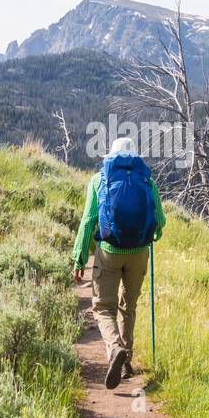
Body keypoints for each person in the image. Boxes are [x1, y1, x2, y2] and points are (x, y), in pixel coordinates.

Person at [72, 136, 165, 389]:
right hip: (139, 253)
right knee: (128, 306)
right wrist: (151, 236)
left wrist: (79, 257)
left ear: (110, 155)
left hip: (109, 251)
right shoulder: (147, 180)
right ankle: (126, 362)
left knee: (103, 307)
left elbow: (88, 220)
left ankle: (114, 348)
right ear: (134, 157)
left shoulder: (99, 179)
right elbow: (160, 221)